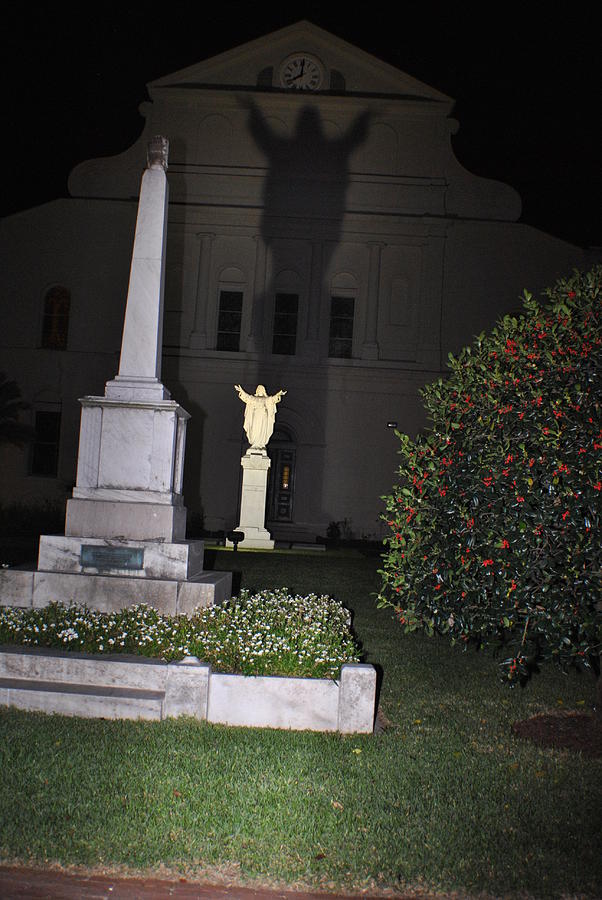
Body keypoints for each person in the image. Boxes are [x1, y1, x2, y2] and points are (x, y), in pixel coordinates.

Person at [234, 384, 286, 450]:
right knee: (255, 429)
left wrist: (279, 394)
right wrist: (241, 390)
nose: (259, 390)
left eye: (261, 389)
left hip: (263, 416)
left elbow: (273, 399)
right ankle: (255, 444)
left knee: (262, 429)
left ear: (263, 390)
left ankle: (261, 444)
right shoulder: (253, 398)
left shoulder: (266, 399)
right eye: (258, 389)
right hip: (255, 416)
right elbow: (247, 397)